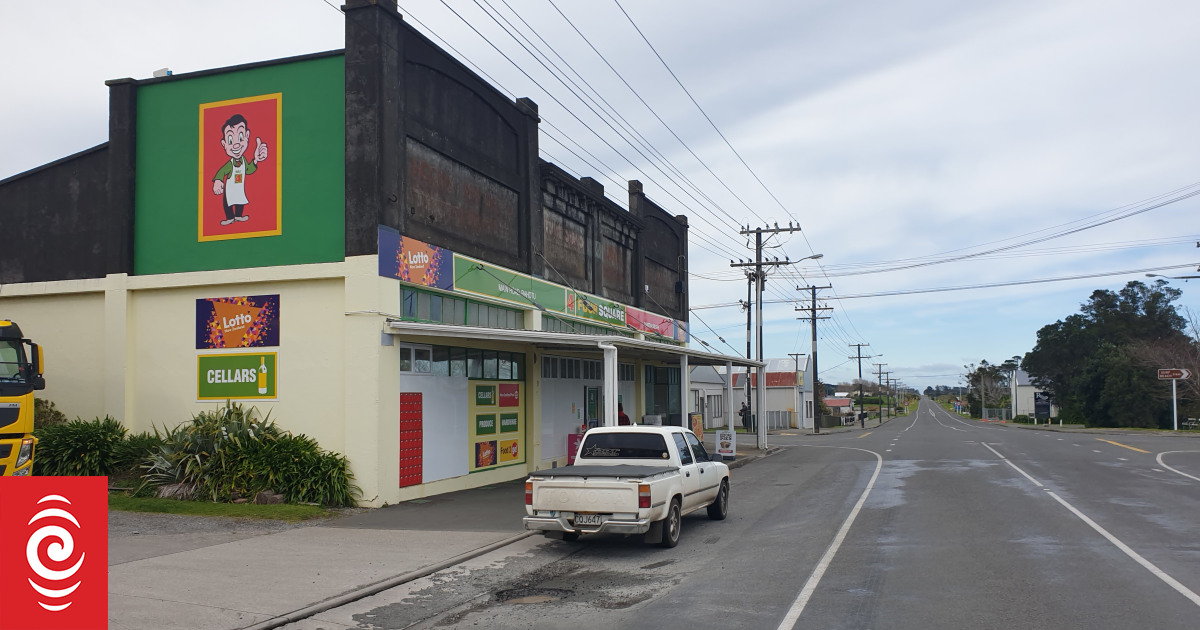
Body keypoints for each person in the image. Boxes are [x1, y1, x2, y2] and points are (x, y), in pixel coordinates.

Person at [211, 114, 269, 226]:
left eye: (241, 137)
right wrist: (218, 181)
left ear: (247, 135)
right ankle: (229, 217)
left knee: (240, 201)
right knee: (228, 203)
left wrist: (256, 160)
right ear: (224, 144)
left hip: (239, 188)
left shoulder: (243, 160)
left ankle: (238, 216)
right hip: (229, 189)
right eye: (230, 140)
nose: (236, 144)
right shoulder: (230, 164)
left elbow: (249, 170)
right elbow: (221, 171)